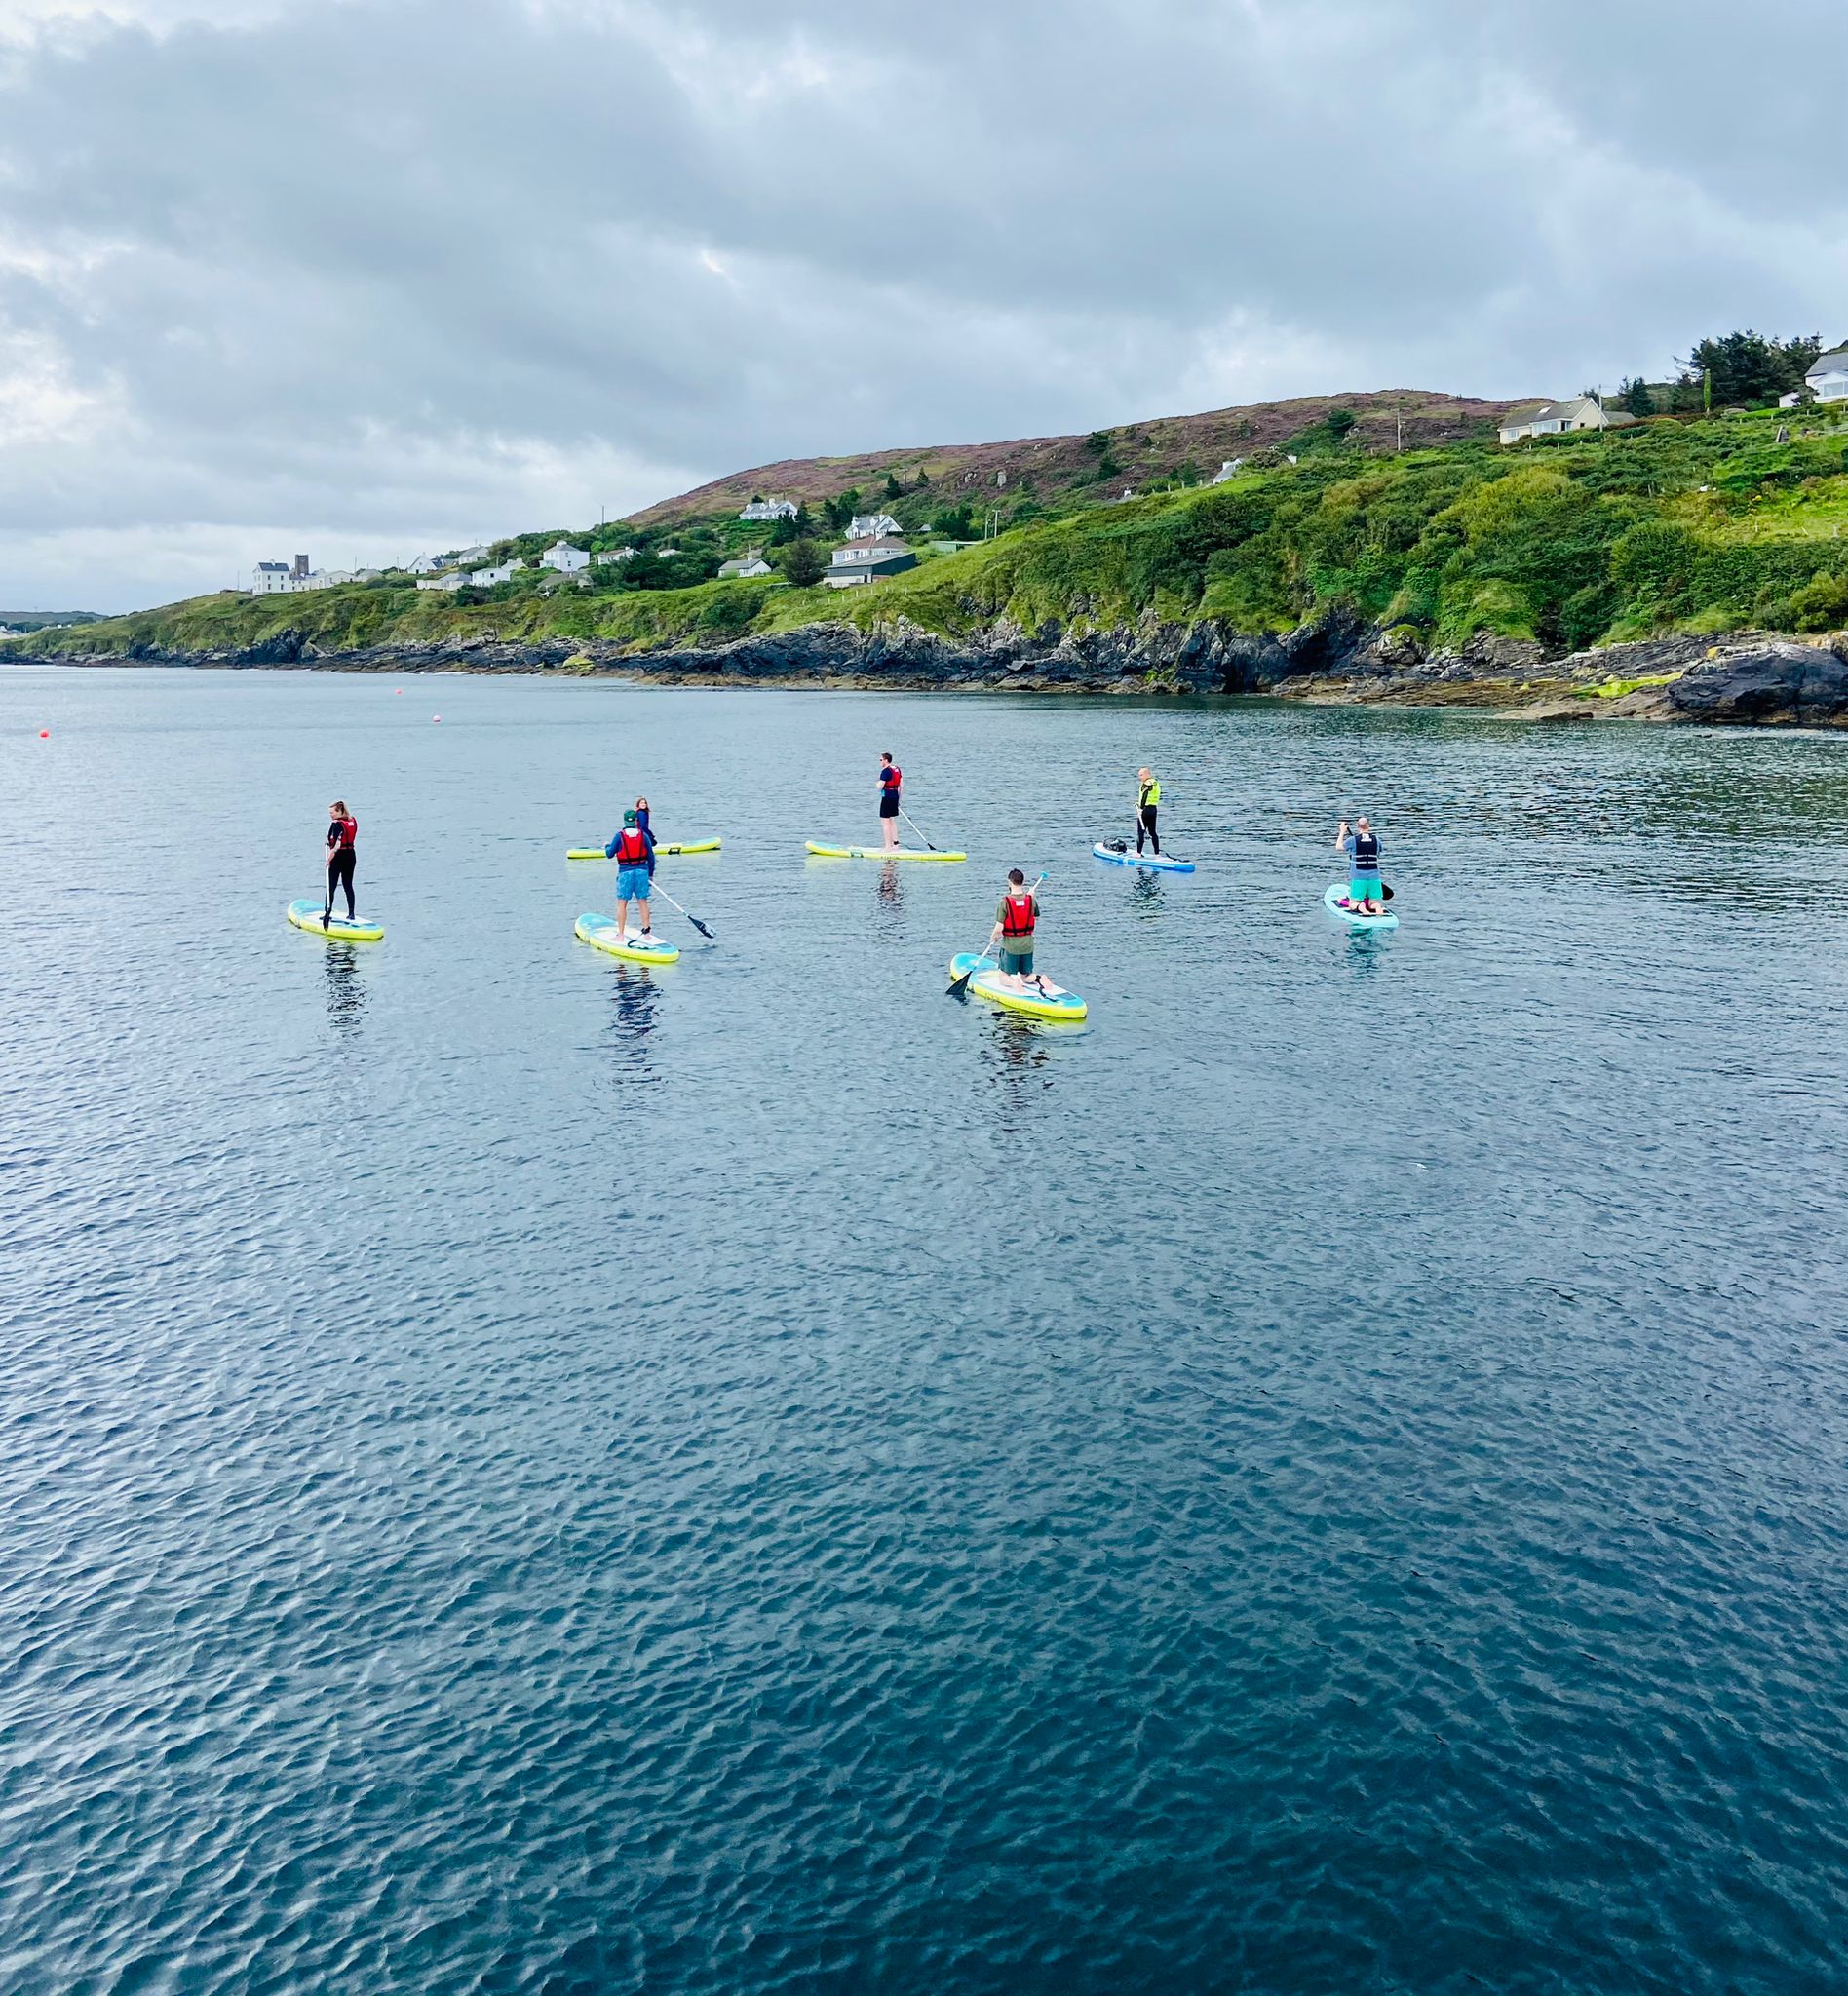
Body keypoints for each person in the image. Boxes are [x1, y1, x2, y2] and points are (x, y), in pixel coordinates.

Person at [985, 868, 1044, 993]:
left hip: (1011, 946)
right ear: (1022, 882)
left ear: (1009, 883)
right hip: (1028, 945)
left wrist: (993, 937)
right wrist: (1031, 899)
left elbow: (999, 928)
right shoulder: (1031, 900)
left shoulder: (1004, 902)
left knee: (1002, 977)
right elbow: (1037, 917)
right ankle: (1039, 978)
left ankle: (1013, 982)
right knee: (1026, 976)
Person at [605, 807, 657, 940]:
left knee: (622, 903)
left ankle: (621, 934)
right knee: (643, 901)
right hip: (642, 872)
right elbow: (651, 857)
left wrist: (607, 846)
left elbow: (610, 854)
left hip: (625, 873)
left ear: (624, 821)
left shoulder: (619, 836)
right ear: (635, 821)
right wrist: (650, 874)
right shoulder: (643, 836)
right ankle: (647, 933)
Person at [1335, 815, 1385, 914]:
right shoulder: (1377, 840)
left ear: (1358, 827)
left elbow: (1338, 847)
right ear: (1369, 826)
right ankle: (1377, 907)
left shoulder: (1353, 840)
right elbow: (1378, 853)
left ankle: (1359, 906)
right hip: (1374, 877)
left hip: (1358, 877)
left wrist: (1342, 832)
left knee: (1352, 903)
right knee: (1374, 902)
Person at [324, 800, 358, 927]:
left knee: (331, 885)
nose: (331, 815)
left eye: (332, 813)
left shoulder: (338, 825)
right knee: (347, 885)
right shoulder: (352, 821)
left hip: (339, 857)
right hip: (351, 855)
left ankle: (327, 913)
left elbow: (336, 845)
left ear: (339, 811)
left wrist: (328, 860)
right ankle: (351, 913)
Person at [877, 751, 902, 851]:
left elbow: (880, 787)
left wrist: (877, 784)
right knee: (892, 821)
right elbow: (901, 786)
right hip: (895, 796)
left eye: (881, 760)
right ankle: (895, 845)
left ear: (886, 760)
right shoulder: (897, 769)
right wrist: (898, 800)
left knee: (885, 822)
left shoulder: (885, 771)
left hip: (887, 797)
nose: (880, 762)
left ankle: (887, 846)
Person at [1136, 768, 1162, 855]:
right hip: (1153, 809)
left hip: (1145, 810)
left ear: (1148, 774)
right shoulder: (1155, 783)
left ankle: (1138, 853)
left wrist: (1141, 809)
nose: (1140, 777)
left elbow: (1145, 796)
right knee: (1152, 832)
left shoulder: (1147, 784)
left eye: (1141, 775)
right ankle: (1156, 854)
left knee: (1141, 832)